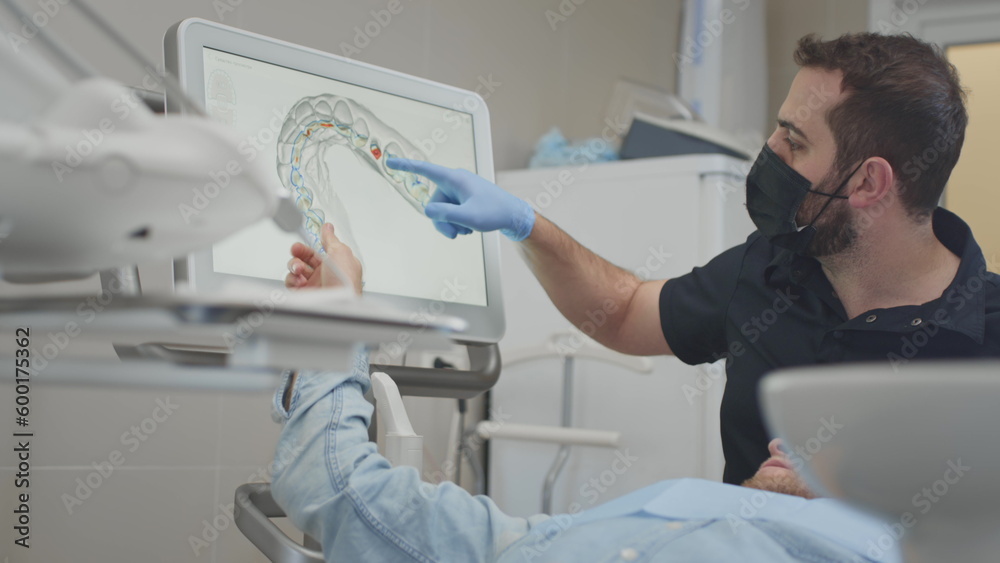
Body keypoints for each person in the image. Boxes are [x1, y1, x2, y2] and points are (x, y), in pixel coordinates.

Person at [303, 32, 997, 485]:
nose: (769, 153)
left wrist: (848, 500)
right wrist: (524, 223)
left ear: (869, 182)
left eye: (792, 139)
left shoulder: (985, 339)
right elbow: (626, 312)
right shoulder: (770, 269)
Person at [272, 234, 900, 561]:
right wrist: (526, 222)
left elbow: (335, 489)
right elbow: (624, 309)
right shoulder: (664, 525)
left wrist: (338, 317)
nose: (779, 440)